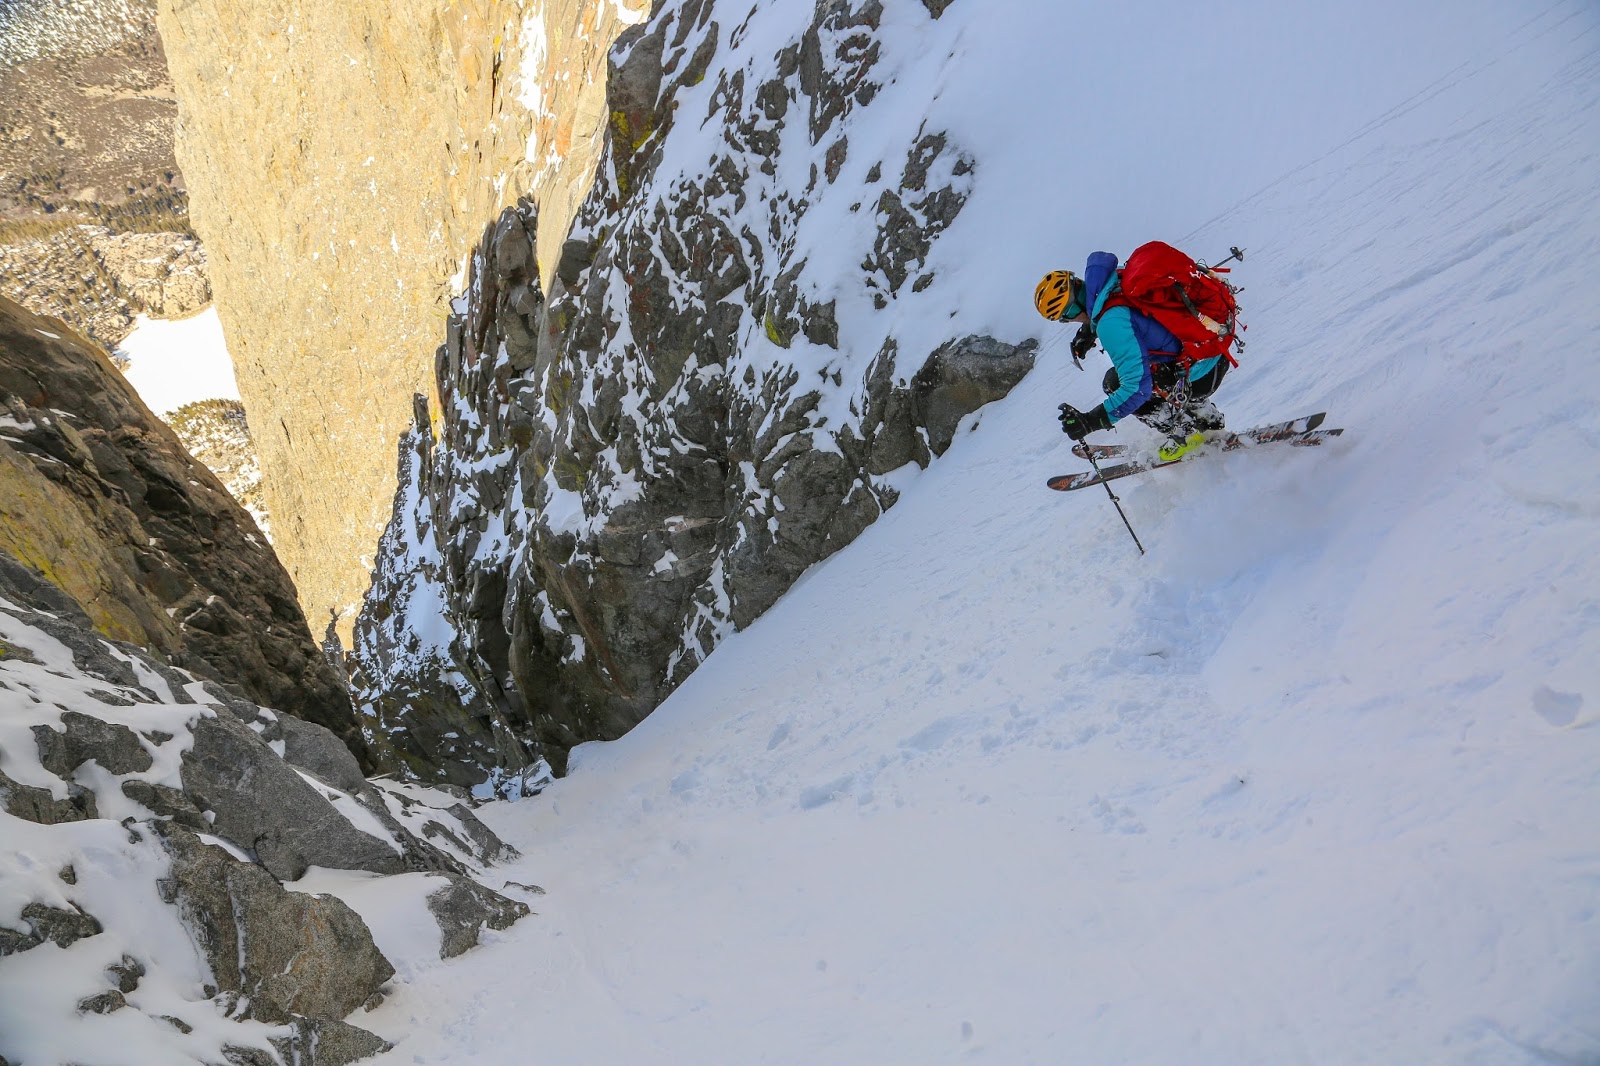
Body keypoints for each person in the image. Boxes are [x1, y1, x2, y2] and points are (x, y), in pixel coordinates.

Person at [1035, 251, 1230, 459]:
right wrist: (1089, 329)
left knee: (1115, 383)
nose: (1068, 321)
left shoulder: (1110, 323)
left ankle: (1185, 434)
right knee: (1155, 368)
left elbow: (1137, 389)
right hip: (1212, 349)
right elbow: (1131, 314)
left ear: (1071, 309)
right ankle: (1207, 420)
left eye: (1065, 317)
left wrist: (1092, 421)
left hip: (1201, 376)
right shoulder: (1114, 279)